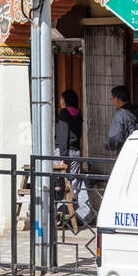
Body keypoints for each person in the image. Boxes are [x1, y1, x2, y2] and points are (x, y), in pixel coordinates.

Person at [54, 88, 92, 229]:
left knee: (60, 184)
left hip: (64, 152)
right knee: (73, 184)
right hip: (76, 152)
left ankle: (60, 216)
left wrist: (63, 156)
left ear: (65, 100)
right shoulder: (77, 113)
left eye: (61, 98)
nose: (60, 101)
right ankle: (71, 217)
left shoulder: (64, 113)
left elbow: (63, 136)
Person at [105, 85, 138, 153]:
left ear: (117, 99)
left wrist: (108, 145)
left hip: (126, 151)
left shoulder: (120, 115)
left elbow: (114, 137)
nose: (113, 102)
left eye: (113, 99)